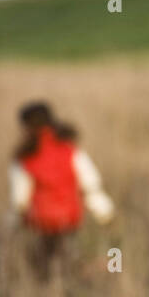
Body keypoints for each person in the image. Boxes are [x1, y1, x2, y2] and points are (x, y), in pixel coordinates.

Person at [9, 101, 115, 279]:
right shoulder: (70, 150)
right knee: (69, 264)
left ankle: (49, 288)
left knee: (42, 269)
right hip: (69, 220)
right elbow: (90, 184)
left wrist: (14, 224)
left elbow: (19, 200)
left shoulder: (24, 158)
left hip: (39, 222)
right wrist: (105, 213)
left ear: (26, 127)